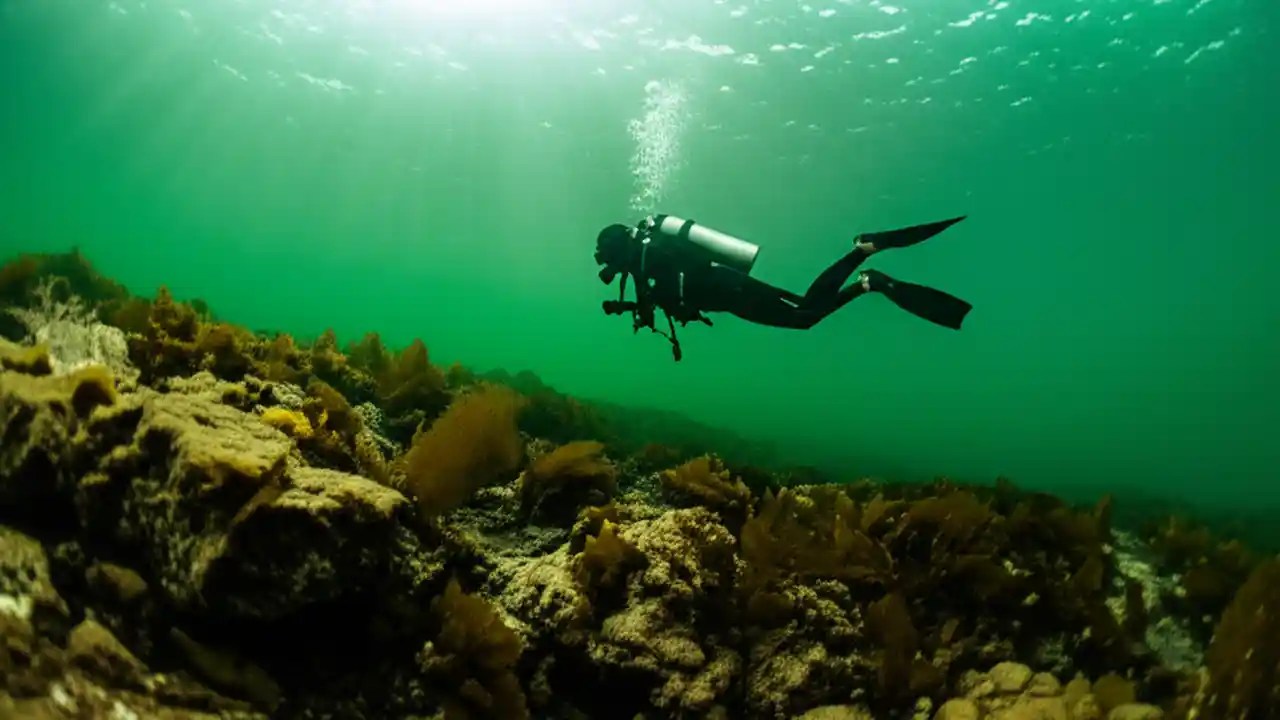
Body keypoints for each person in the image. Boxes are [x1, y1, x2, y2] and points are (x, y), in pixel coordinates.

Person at [594, 213, 973, 361]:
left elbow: (663, 299)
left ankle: (864, 269)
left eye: (609, 260)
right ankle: (863, 265)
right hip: (729, 287)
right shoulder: (648, 255)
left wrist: (634, 307)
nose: (611, 268)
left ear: (617, 251)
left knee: (804, 317)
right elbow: (667, 296)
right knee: (804, 306)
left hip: (730, 291)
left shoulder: (647, 261)